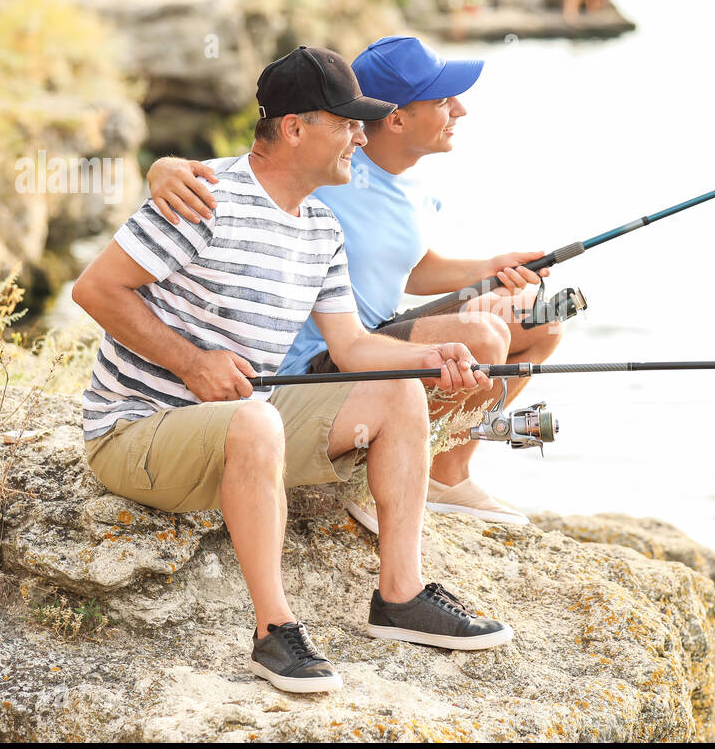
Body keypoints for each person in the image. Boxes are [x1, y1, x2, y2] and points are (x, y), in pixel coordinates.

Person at [73, 45, 514, 696]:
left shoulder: (320, 231)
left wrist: (431, 358)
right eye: (346, 123)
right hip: (136, 435)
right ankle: (274, 633)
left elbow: (355, 348)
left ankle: (401, 596)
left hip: (242, 433)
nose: (359, 138)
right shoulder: (204, 196)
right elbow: (95, 290)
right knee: (256, 421)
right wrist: (191, 363)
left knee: (393, 392)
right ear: (294, 128)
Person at [146, 36, 563, 530]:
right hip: (324, 360)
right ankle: (369, 470)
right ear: (397, 119)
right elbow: (256, 167)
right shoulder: (332, 165)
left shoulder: (414, 186)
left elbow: (409, 266)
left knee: (542, 316)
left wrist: (488, 269)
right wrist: (164, 168)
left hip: (376, 331)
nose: (461, 110)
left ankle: (445, 473)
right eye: (442, 101)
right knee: (481, 337)